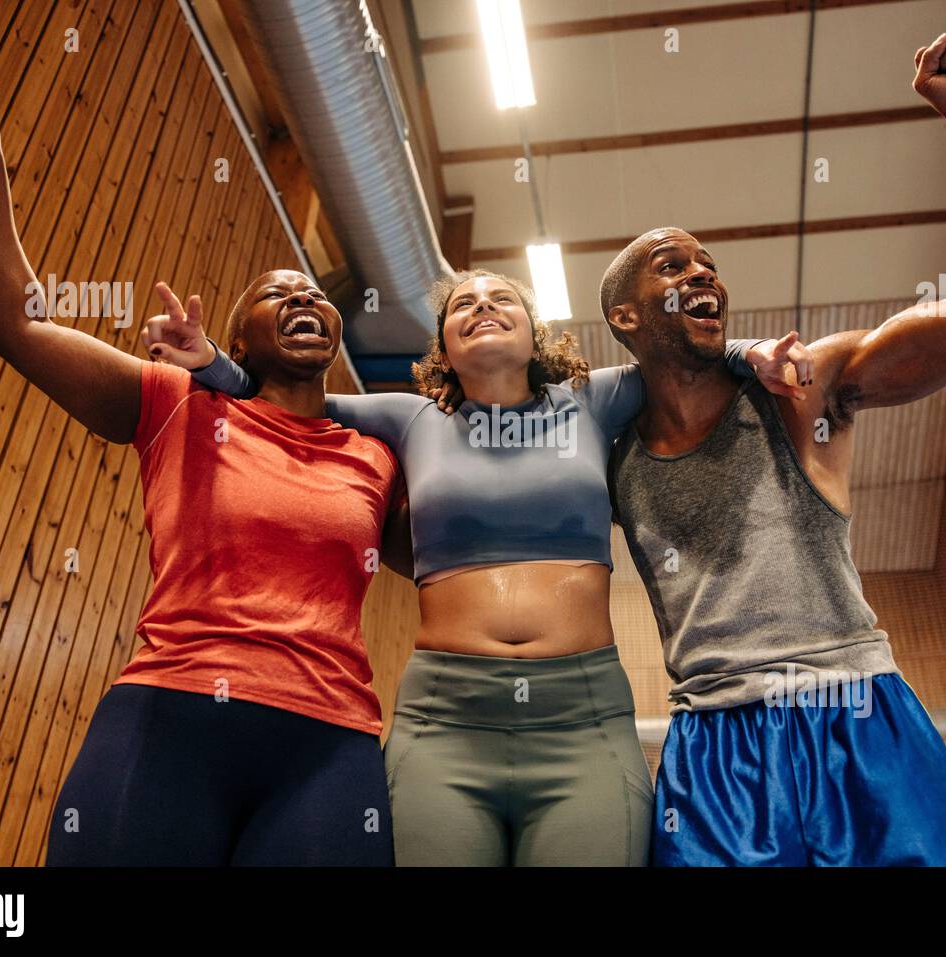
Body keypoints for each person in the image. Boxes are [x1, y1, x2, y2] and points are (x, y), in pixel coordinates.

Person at [148, 266, 809, 865]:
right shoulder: (410, 421)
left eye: (502, 299)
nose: (483, 306)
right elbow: (288, 399)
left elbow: (683, 363)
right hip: (445, 722)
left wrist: (748, 353)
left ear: (535, 334)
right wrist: (209, 361)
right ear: (444, 347)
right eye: (463, 303)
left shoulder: (591, 402)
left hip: (581, 722)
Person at [0, 58, 404, 865]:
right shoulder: (179, 405)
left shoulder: (377, 453)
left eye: (317, 296)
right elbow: (23, 324)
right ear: (238, 335)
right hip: (168, 719)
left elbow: (458, 561)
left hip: (328, 748)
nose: (304, 300)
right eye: (276, 291)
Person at [602, 34, 946, 866]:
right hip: (714, 751)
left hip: (858, 717)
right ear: (624, 316)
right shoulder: (610, 449)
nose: (703, 274)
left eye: (710, 264)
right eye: (671, 264)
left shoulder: (805, 387)